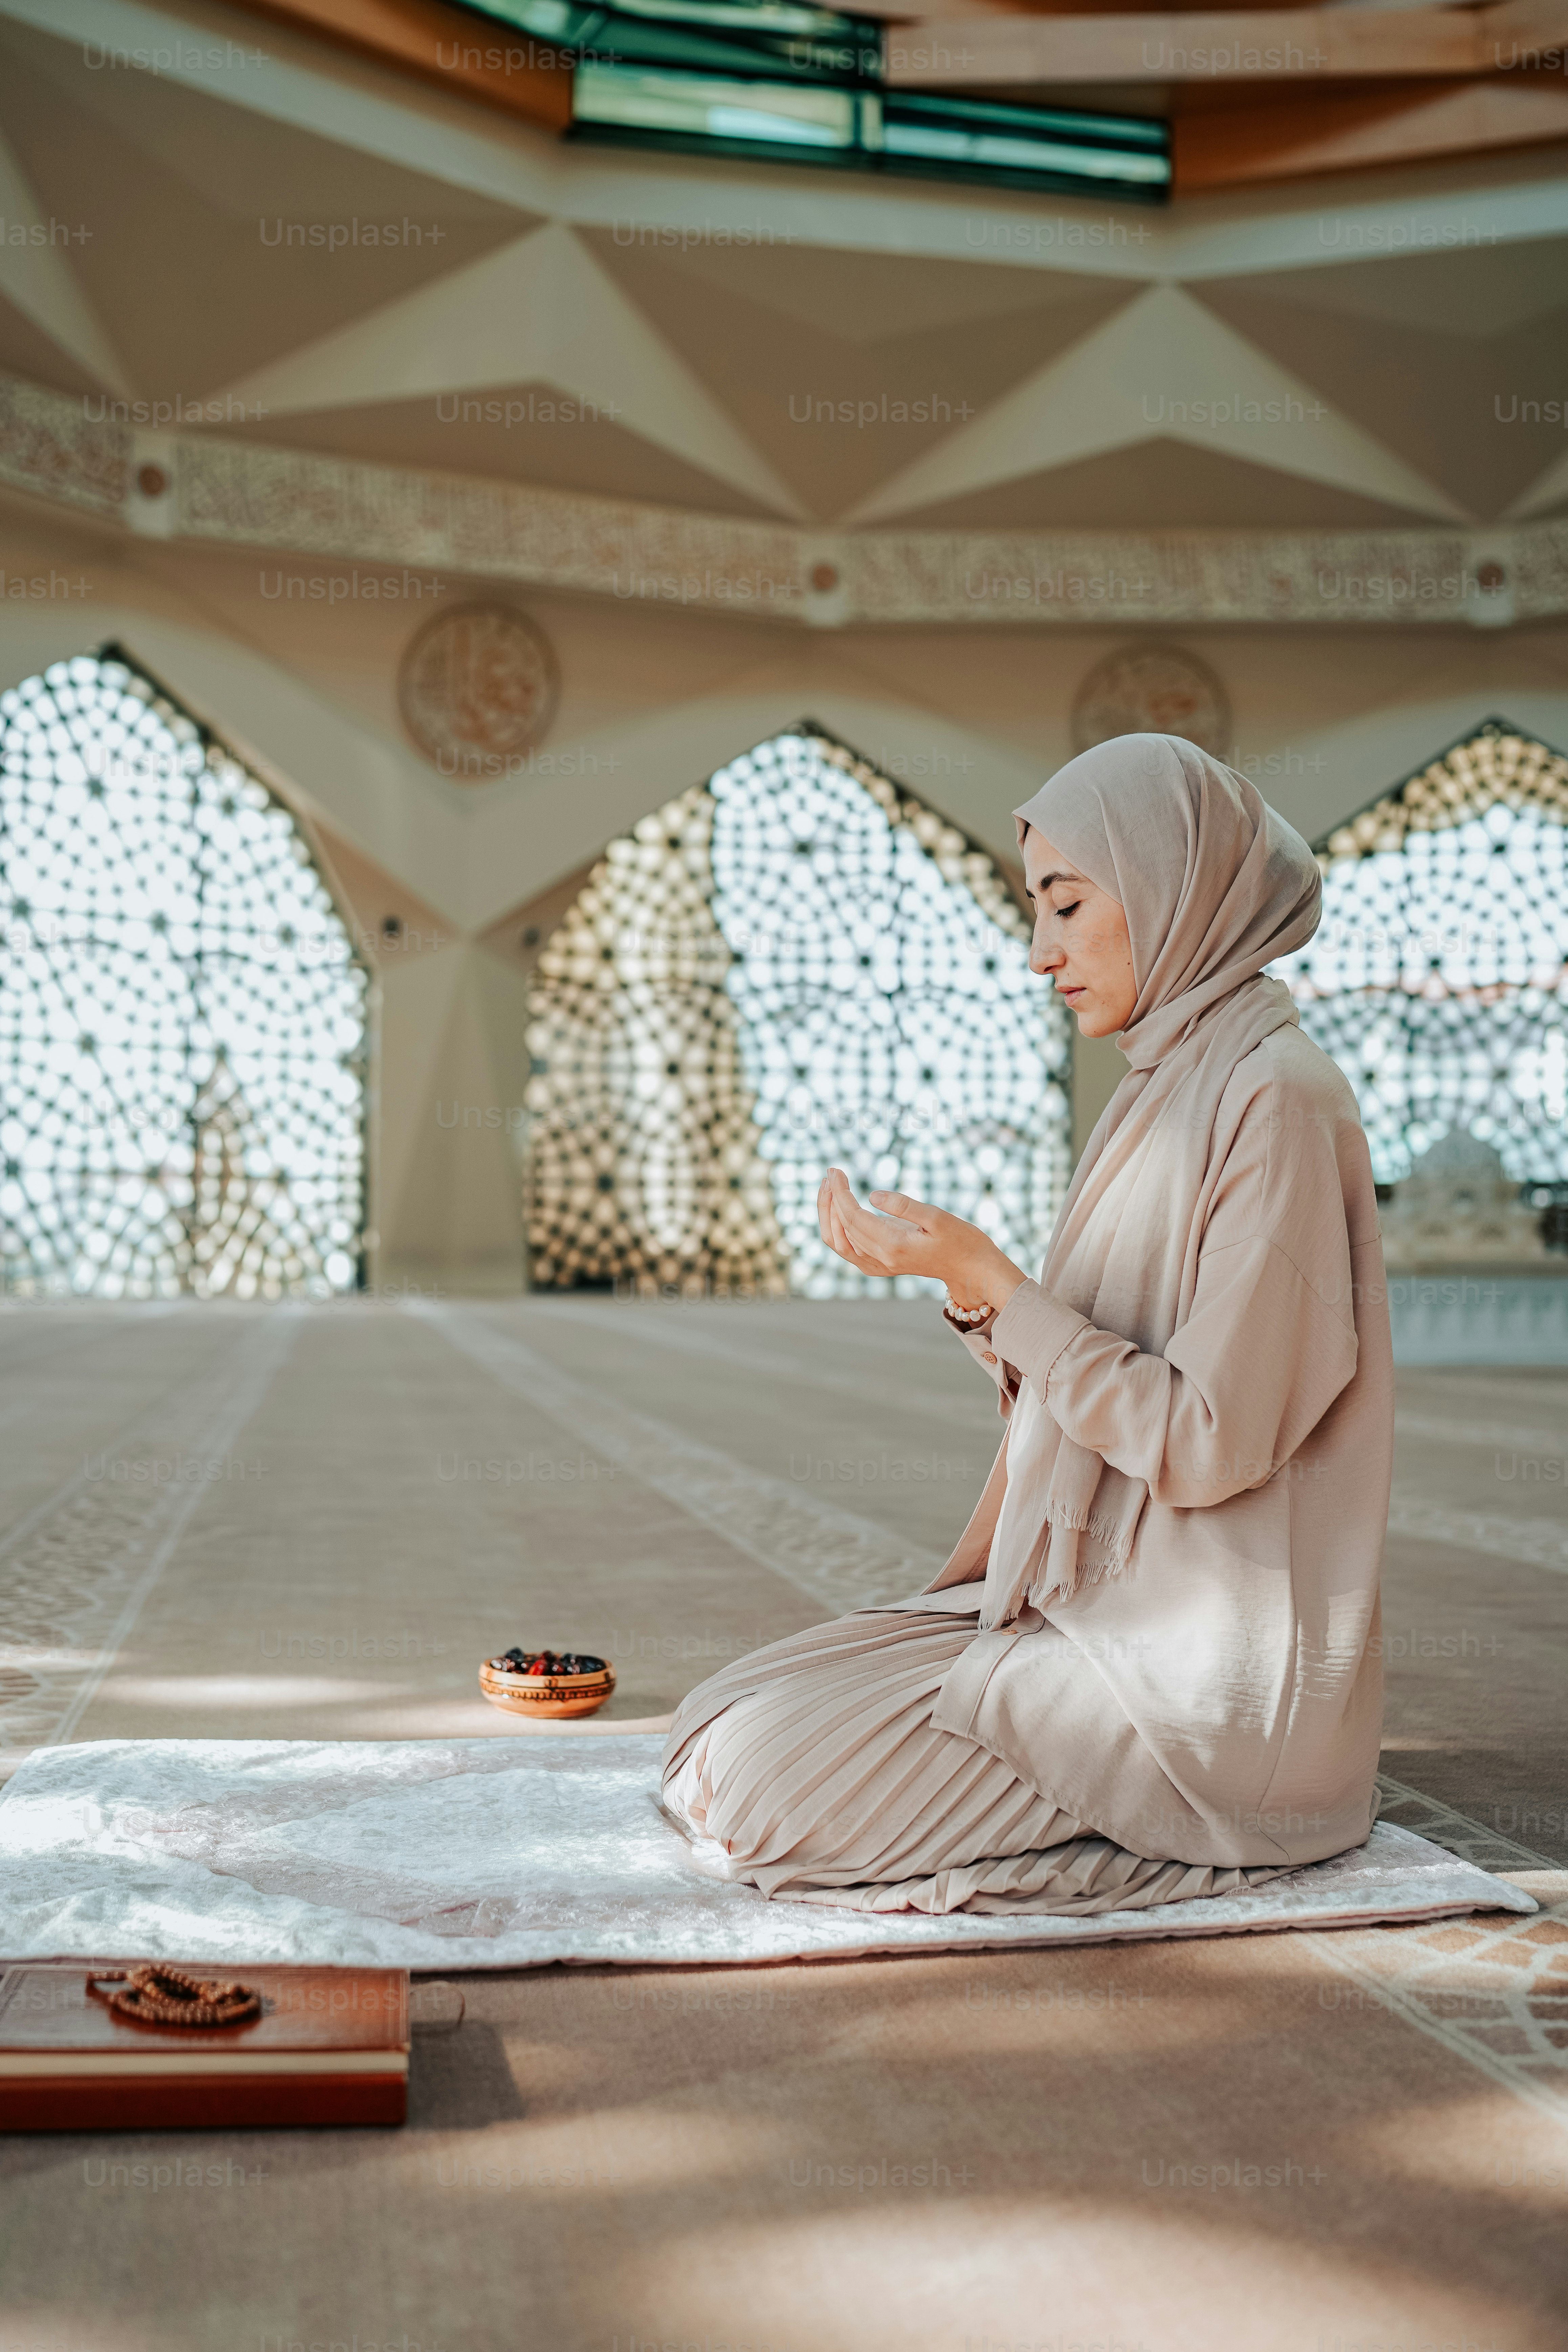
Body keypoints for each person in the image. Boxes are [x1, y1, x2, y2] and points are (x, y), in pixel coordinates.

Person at [661, 733, 1394, 1916]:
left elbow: (1204, 1441)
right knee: (715, 1720)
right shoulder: (1167, 1079)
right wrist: (966, 1292)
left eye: (1066, 904)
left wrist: (1001, 1283)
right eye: (1034, 908)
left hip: (1202, 1668)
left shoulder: (1275, 1099)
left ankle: (1214, 1827)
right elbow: (1090, 1378)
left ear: (1172, 891)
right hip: (1089, 1605)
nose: (1041, 950)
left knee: (754, 1793)